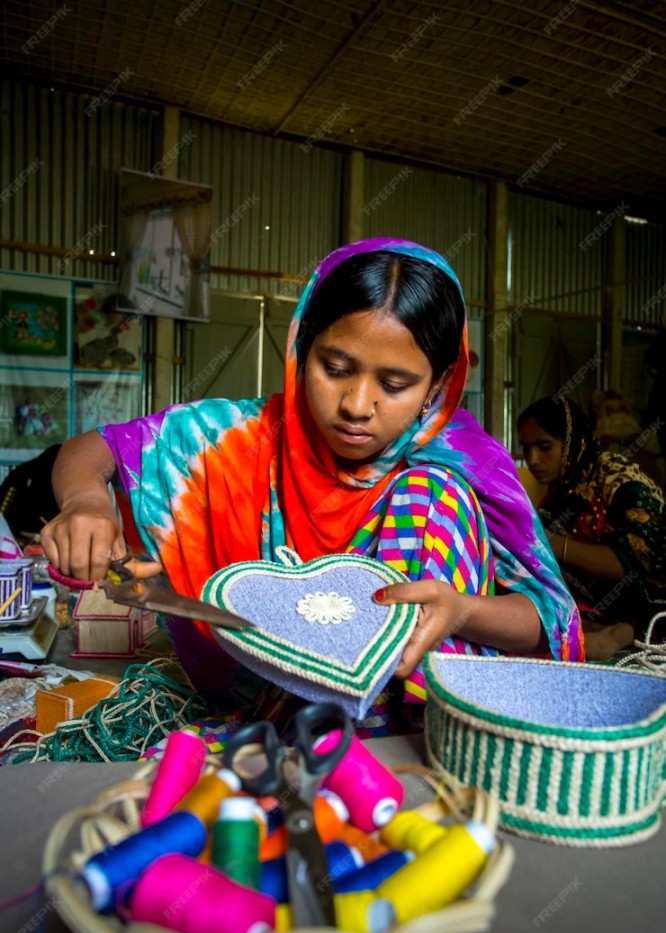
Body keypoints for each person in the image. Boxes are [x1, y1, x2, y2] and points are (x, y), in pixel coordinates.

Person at [41, 238, 582, 714]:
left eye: (394, 385)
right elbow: (97, 447)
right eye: (336, 369)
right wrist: (86, 501)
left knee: (428, 493)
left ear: (437, 386)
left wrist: (462, 610)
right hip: (255, 701)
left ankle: (383, 730)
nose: (356, 405)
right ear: (301, 348)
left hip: (410, 716)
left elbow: (548, 619)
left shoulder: (466, 464)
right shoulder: (235, 439)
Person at [518, 396, 665, 659]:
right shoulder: (566, 487)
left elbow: (631, 562)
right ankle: (589, 627)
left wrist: (550, 543)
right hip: (594, 603)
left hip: (644, 600)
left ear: (573, 443)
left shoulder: (622, 483)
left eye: (544, 447)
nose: (533, 459)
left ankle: (618, 629)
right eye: (526, 448)